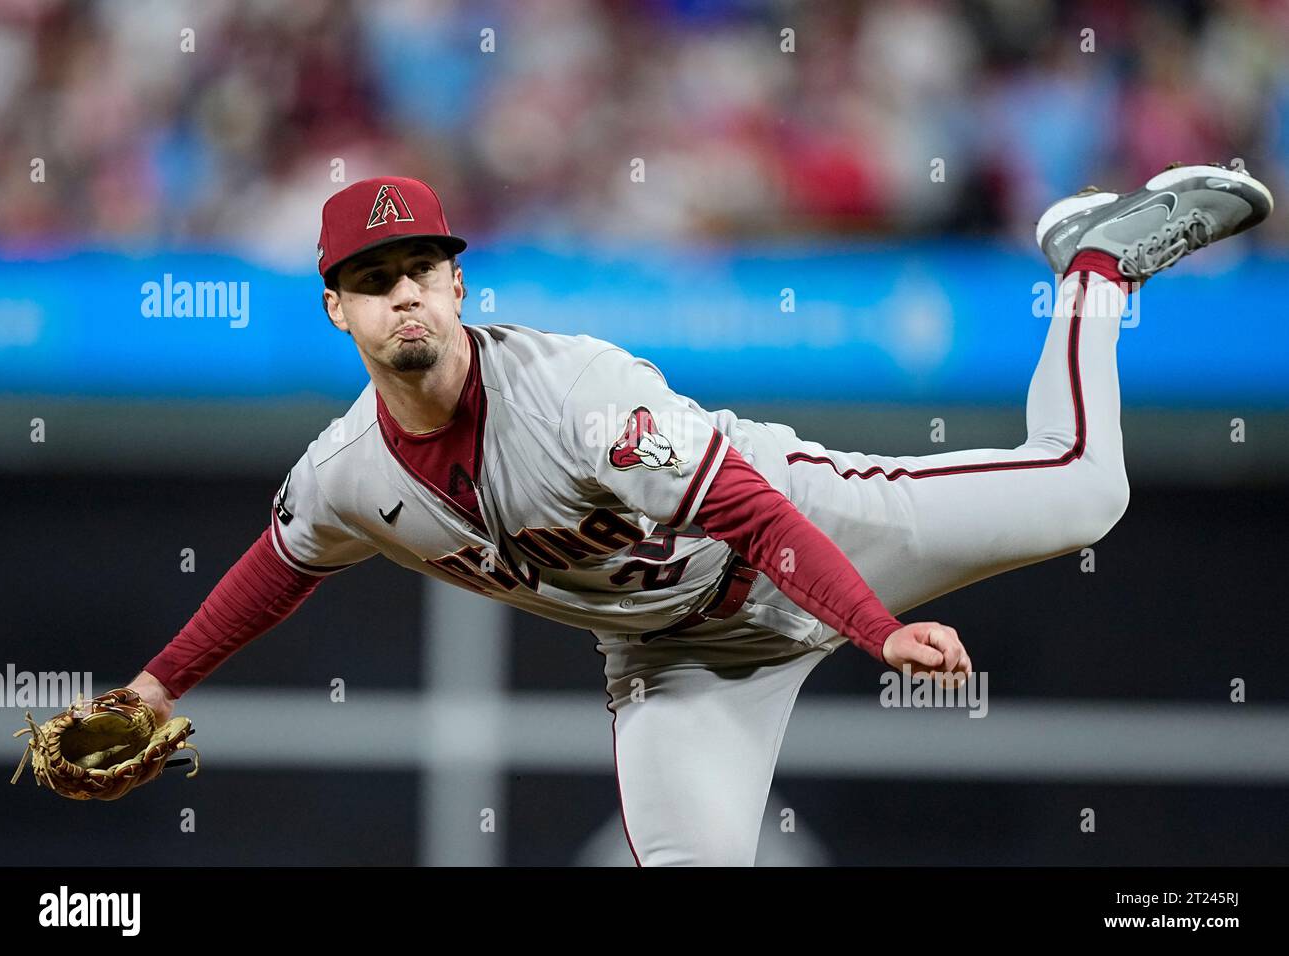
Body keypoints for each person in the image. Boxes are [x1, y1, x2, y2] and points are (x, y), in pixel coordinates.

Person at [124, 167, 1272, 865]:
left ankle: (1092, 268)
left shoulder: (577, 395)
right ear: (337, 308)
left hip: (803, 534)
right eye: (377, 277)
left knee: (1085, 490)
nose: (406, 291)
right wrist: (155, 689)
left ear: (461, 285)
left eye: (424, 265)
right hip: (678, 661)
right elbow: (278, 566)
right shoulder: (344, 473)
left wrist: (872, 628)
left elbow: (754, 515)